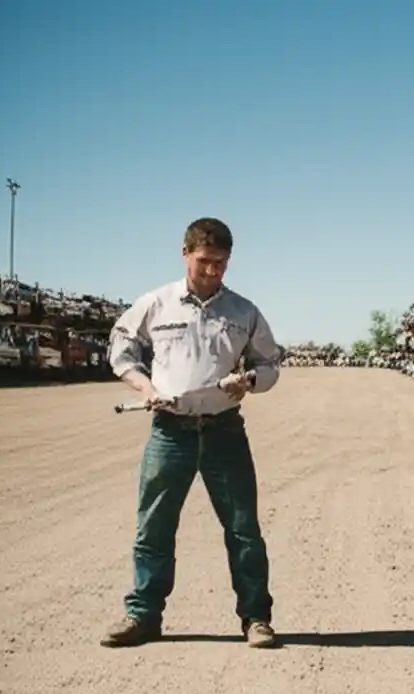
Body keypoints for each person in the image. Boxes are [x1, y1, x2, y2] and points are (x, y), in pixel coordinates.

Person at [100, 217, 283, 649]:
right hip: (170, 433)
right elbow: (120, 351)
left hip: (224, 433)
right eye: (204, 261)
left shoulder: (244, 312)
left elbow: (270, 364)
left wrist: (249, 382)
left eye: (221, 263)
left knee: (243, 529)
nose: (212, 271)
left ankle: (256, 618)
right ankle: (143, 616)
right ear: (185, 254)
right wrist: (146, 387)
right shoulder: (155, 304)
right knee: (154, 528)